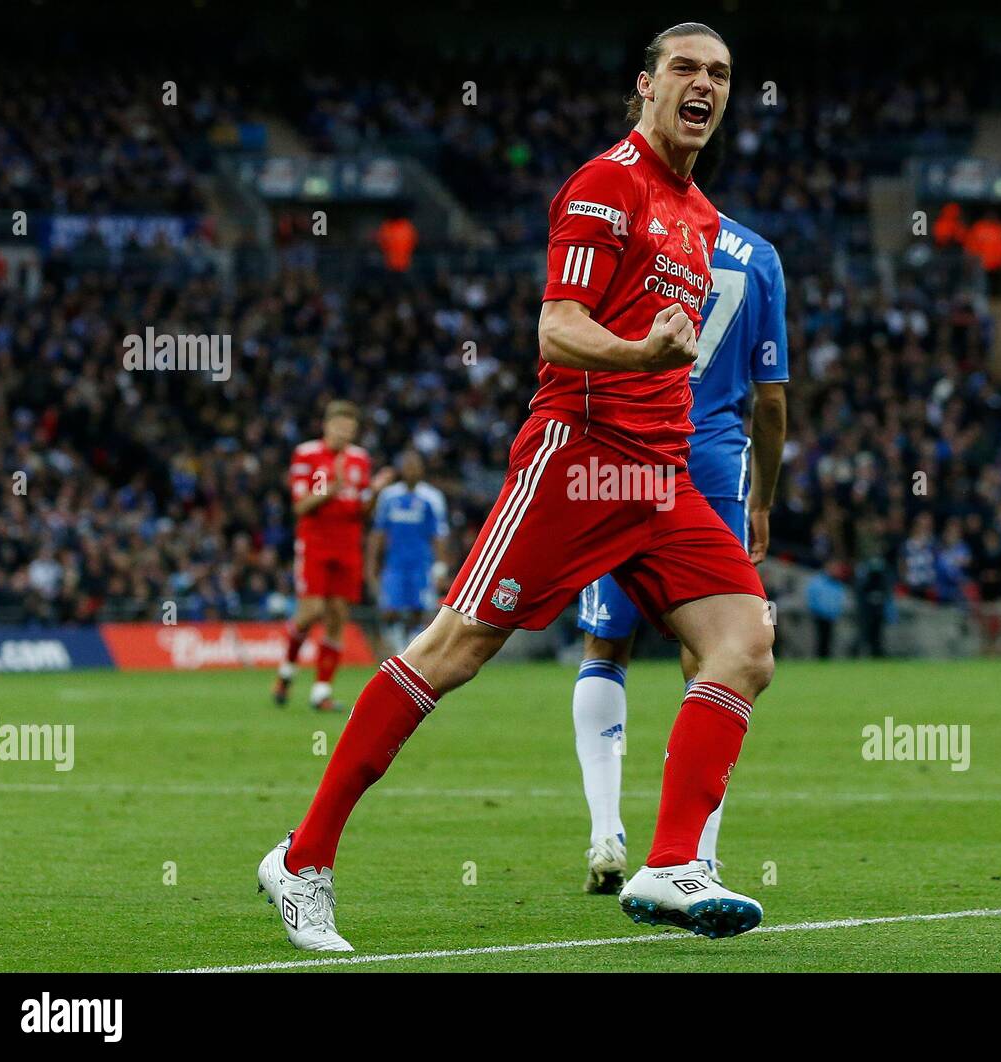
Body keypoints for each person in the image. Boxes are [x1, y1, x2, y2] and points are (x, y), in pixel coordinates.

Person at [258, 23, 776, 952]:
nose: (705, 85)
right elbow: (557, 328)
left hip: (659, 478)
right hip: (577, 459)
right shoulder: (604, 184)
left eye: (722, 74)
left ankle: (669, 865)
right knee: (453, 649)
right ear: (647, 87)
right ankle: (302, 859)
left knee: (744, 641)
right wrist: (637, 352)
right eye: (687, 69)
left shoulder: (700, 217)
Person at [572, 210, 787, 894]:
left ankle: (607, 832)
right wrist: (764, 501)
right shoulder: (756, 254)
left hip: (627, 454)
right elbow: (773, 401)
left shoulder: (633, 234)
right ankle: (698, 854)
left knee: (606, 645)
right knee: (717, 653)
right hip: (714, 462)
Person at [272, 400, 394, 712]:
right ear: (326, 426)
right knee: (312, 610)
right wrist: (331, 489)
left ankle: (321, 692)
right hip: (315, 543)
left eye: (350, 429)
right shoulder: (307, 454)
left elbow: (362, 511)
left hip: (348, 544)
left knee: (338, 615)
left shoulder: (360, 459)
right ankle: (286, 671)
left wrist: (377, 491)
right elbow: (299, 506)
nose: (344, 433)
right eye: (339, 427)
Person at [367, 450, 448, 657]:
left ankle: (408, 652)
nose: (411, 469)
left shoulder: (432, 497)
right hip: (394, 565)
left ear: (421, 469)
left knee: (418, 611)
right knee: (390, 611)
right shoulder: (388, 496)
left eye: (415, 465)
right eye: (407, 465)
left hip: (421, 565)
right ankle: (398, 648)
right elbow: (378, 533)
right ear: (401, 469)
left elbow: (439, 536)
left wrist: (440, 568)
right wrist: (371, 566)